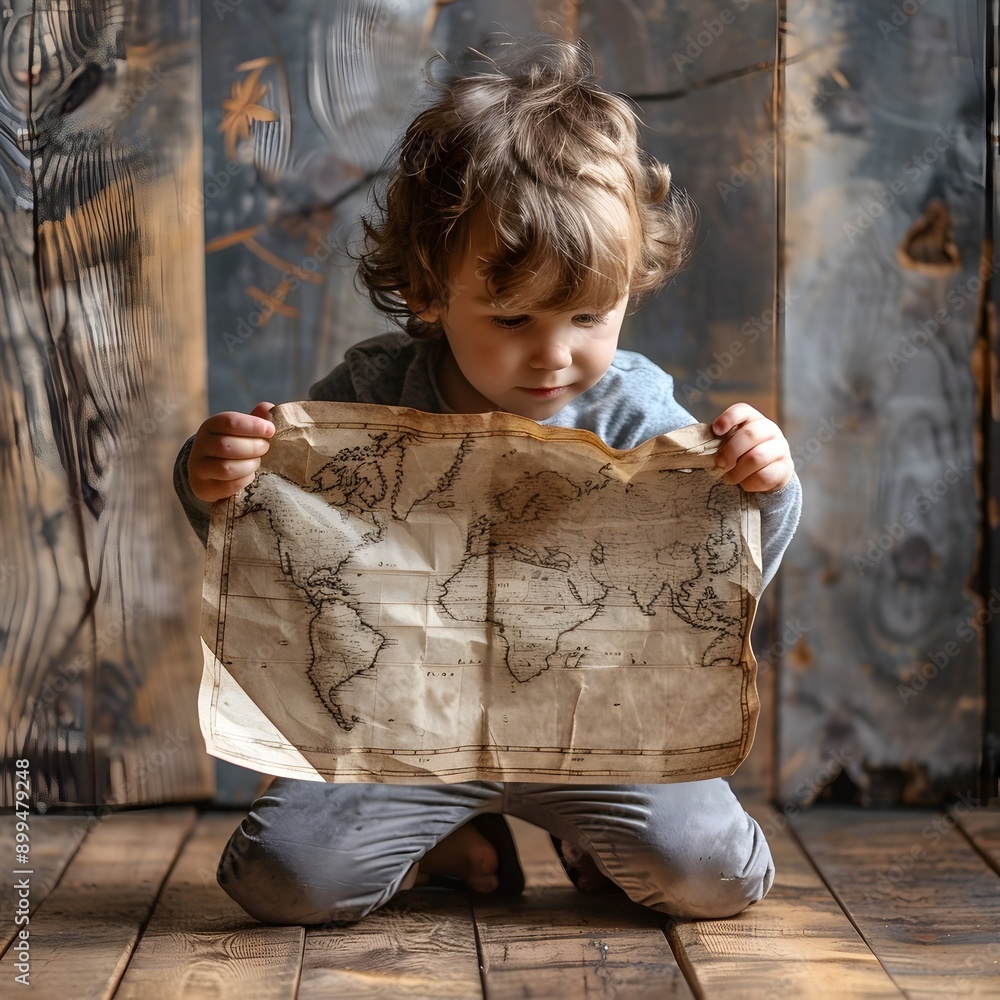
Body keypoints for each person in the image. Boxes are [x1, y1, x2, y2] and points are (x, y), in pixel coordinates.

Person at [174, 36, 801, 925]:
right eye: (512, 319)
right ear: (429, 290)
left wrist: (762, 486)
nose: (554, 354)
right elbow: (277, 540)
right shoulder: (370, 394)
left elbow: (717, 567)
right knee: (284, 879)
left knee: (710, 878)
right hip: (405, 726)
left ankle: (591, 840)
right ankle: (447, 837)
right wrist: (212, 480)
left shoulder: (635, 413)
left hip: (599, 727)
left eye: (589, 315)